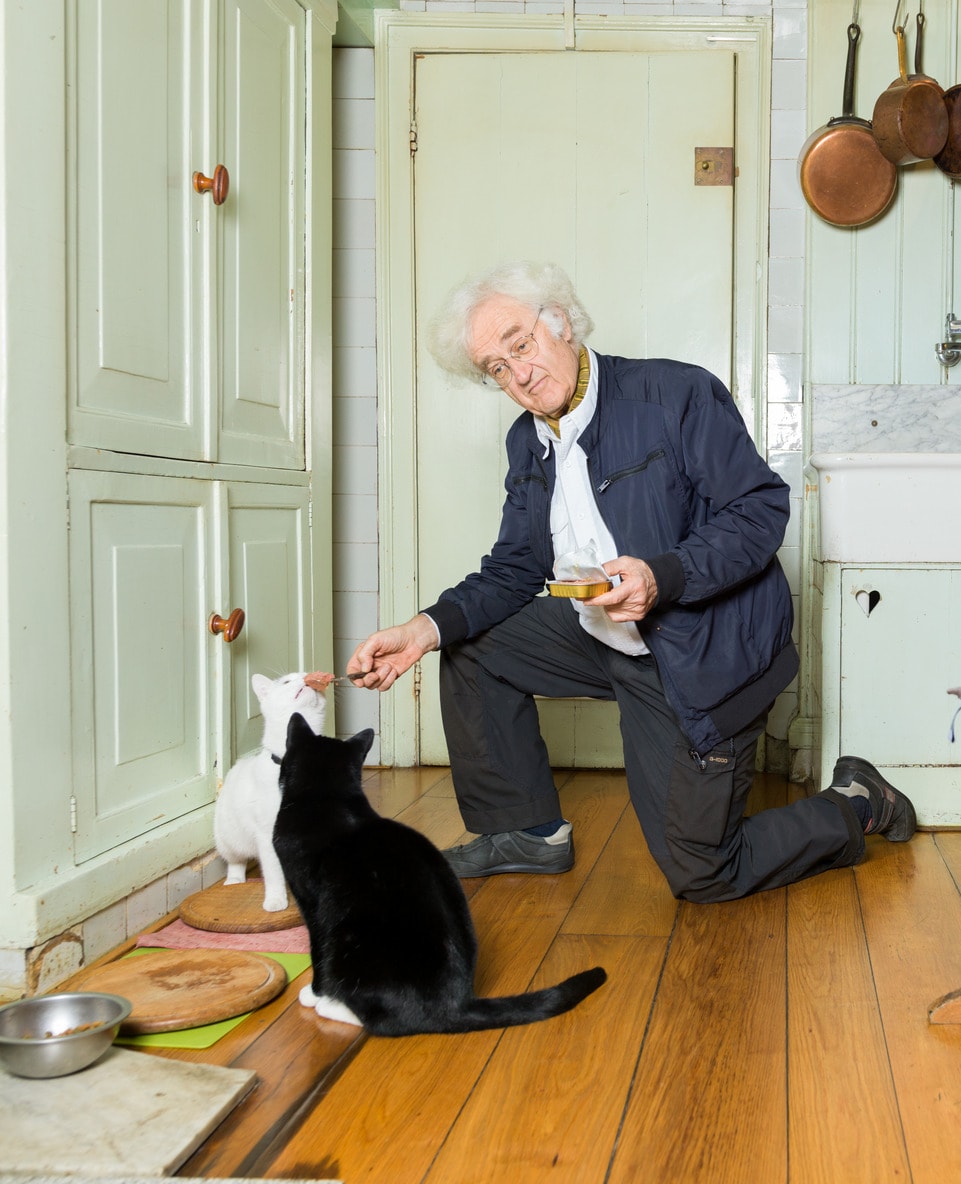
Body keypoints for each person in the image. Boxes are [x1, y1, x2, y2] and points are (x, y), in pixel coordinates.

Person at [347, 261, 915, 902]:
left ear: (559, 321)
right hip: (606, 635)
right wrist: (420, 630)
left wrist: (660, 576)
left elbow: (759, 511)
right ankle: (526, 833)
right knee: (472, 642)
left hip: (702, 649)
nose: (519, 375)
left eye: (521, 344)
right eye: (496, 369)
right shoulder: (527, 442)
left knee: (703, 872)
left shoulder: (675, 396)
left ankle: (854, 802)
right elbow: (513, 570)